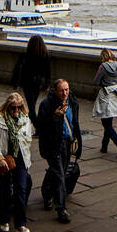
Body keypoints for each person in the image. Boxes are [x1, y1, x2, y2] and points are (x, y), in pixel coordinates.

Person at [35, 79, 81, 223]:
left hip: (67, 142)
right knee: (60, 174)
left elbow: (75, 123)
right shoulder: (46, 105)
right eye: (61, 90)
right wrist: (55, 116)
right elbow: (41, 128)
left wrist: (78, 141)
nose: (64, 93)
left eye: (66, 89)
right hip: (53, 144)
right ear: (55, 91)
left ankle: (46, 192)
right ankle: (61, 209)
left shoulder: (72, 101)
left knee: (58, 170)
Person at [0, 93, 33, 232]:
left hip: (20, 159)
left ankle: (20, 224)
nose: (16, 111)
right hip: (4, 159)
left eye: (19, 107)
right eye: (13, 108)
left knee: (21, 189)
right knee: (4, 190)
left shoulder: (25, 119)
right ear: (8, 107)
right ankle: (4, 220)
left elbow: (28, 139)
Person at [90, 48, 117, 157]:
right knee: (108, 122)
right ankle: (104, 147)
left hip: (106, 95)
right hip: (116, 94)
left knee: (106, 123)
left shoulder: (103, 67)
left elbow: (96, 81)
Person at [12, 34, 51, 119]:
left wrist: (16, 82)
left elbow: (17, 69)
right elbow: (47, 71)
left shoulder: (25, 55)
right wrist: (47, 84)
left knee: (31, 104)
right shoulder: (44, 56)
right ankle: (33, 121)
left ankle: (35, 123)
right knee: (33, 103)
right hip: (38, 83)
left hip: (27, 82)